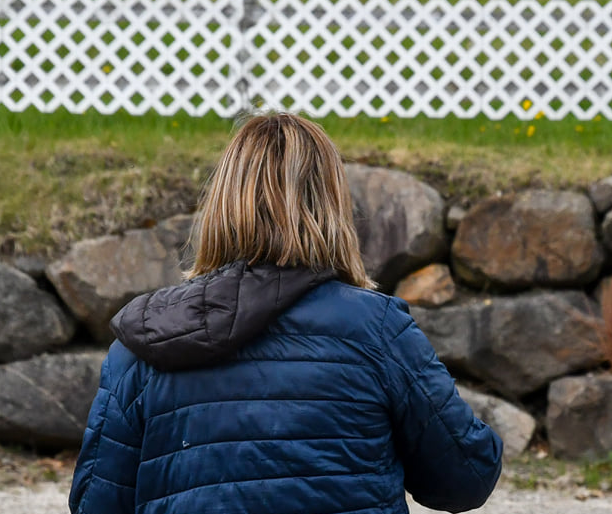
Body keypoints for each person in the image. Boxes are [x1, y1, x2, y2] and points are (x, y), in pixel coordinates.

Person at [69, 112, 505, 514]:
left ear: (222, 204)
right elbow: (465, 477)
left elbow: (96, 504)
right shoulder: (379, 330)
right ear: (333, 207)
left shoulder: (147, 337)